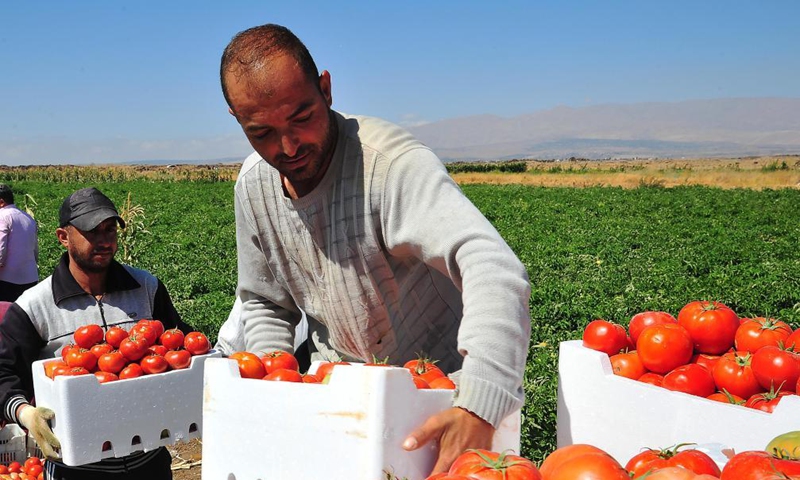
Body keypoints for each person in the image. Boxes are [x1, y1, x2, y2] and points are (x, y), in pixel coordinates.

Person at [220, 24, 531, 474]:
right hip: (338, 392)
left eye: (302, 117)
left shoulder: (389, 166)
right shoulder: (253, 188)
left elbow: (492, 265)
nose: (287, 146)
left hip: (438, 396)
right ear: (237, 118)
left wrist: (480, 403)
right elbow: (267, 302)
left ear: (325, 89)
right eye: (261, 132)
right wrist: (276, 385)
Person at [0, 187, 191, 480]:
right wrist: (25, 412)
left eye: (110, 230)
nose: (104, 241)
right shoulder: (33, 306)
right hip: (75, 469)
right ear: (63, 237)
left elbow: (179, 344)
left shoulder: (147, 288)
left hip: (149, 461)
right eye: (92, 232)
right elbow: (4, 373)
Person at [0, 184, 39, 302]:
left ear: (1, 202)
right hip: (30, 278)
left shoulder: (2, 216)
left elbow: (0, 251)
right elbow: (35, 251)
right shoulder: (28, 218)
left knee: (6, 317)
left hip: (8, 280)